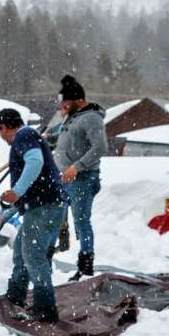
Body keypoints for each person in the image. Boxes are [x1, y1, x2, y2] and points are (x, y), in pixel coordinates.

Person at [0, 108, 68, 323]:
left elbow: (35, 162)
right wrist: (3, 216)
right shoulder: (27, 137)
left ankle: (45, 308)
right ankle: (16, 295)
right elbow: (29, 189)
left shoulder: (24, 134)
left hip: (45, 206)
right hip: (42, 205)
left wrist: (16, 191)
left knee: (33, 254)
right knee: (21, 251)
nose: (1, 136)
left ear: (4, 127)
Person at [52, 74, 107, 280]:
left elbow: (100, 147)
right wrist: (48, 139)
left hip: (83, 178)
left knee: (82, 221)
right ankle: (58, 247)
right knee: (56, 214)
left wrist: (77, 167)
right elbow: (68, 140)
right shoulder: (72, 116)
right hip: (65, 177)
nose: (62, 106)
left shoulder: (92, 118)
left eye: (65, 101)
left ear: (78, 100)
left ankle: (86, 265)